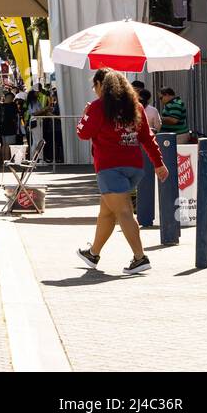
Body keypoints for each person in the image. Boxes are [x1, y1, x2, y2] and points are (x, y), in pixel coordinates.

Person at [76, 69, 168, 276]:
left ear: (101, 85)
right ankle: (93, 253)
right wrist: (158, 163)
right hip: (134, 167)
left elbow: (83, 133)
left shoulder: (98, 107)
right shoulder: (135, 106)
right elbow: (147, 137)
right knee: (107, 212)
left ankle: (140, 258)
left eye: (94, 85)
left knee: (124, 212)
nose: (94, 89)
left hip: (109, 167)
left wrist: (86, 114)